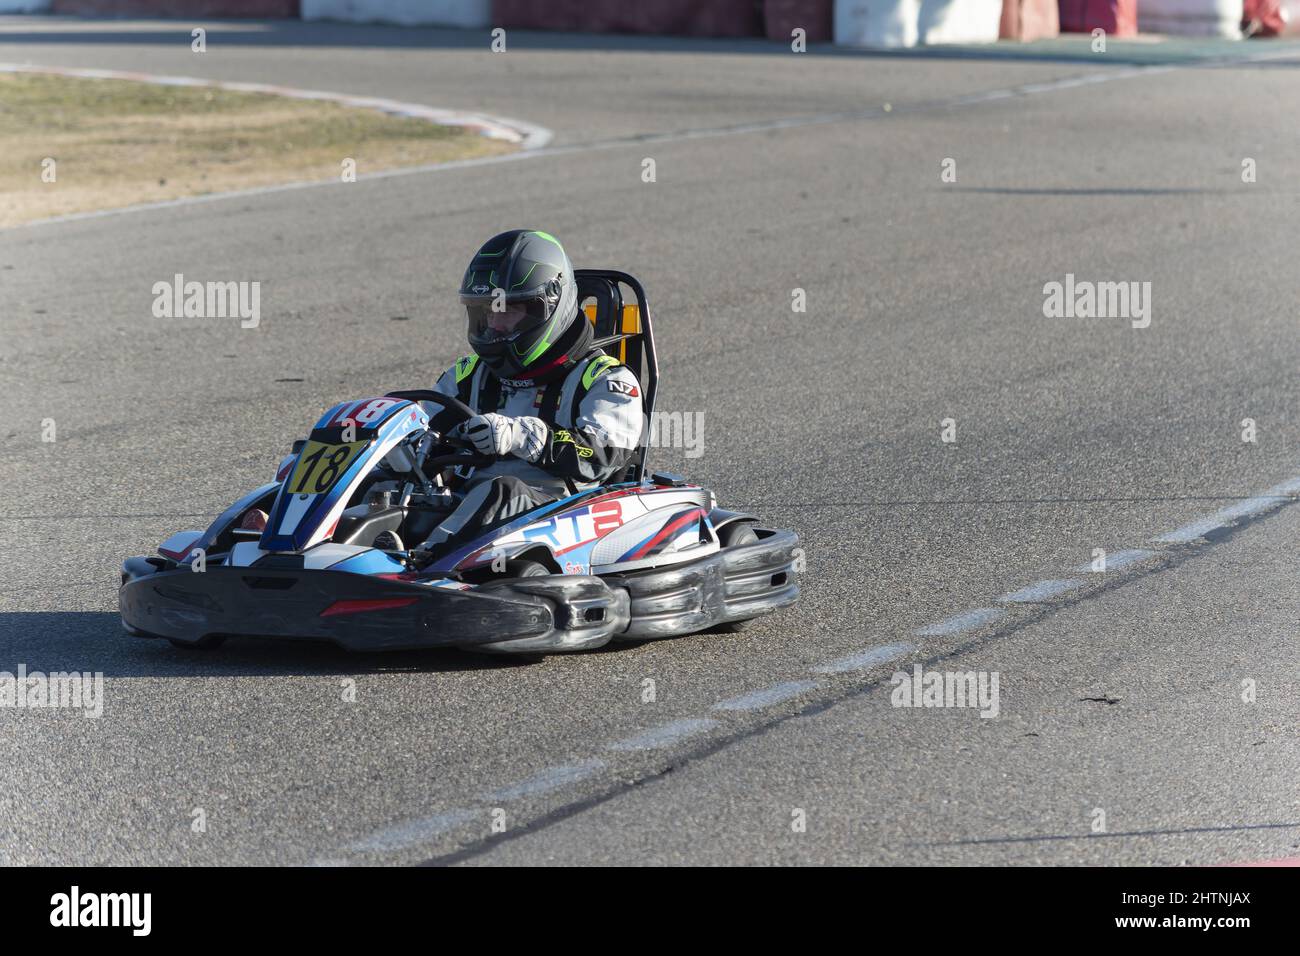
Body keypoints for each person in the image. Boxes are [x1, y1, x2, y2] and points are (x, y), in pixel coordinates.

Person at [417, 229, 644, 552]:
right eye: (486, 312)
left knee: (503, 492)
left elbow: (601, 455)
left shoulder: (604, 378)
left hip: (563, 513)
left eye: (507, 310)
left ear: (547, 307)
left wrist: (522, 436)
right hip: (468, 505)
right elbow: (424, 424)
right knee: (387, 487)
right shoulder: (470, 374)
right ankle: (336, 557)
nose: (494, 325)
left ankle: (420, 570)